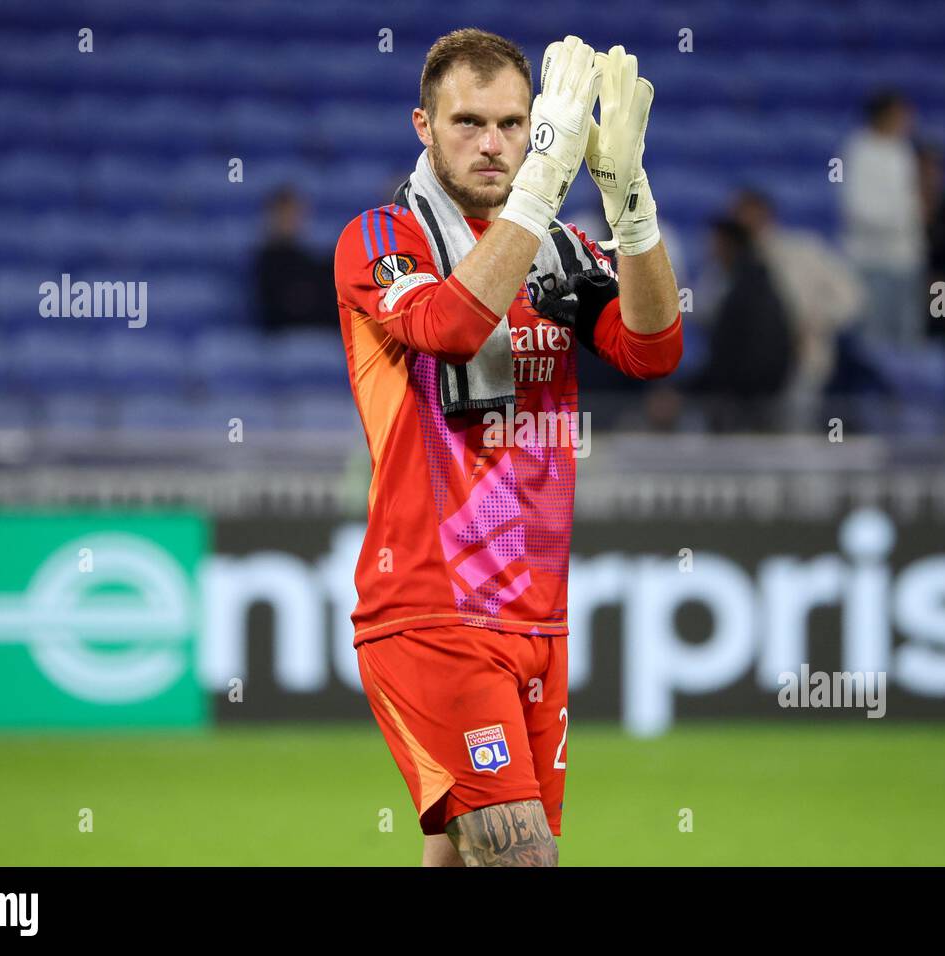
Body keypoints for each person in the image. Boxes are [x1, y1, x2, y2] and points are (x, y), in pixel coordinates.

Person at [332, 30, 682, 867]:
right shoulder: (381, 240)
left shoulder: (560, 252)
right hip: (429, 610)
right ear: (423, 126)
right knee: (524, 861)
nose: (493, 144)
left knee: (462, 858)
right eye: (467, 122)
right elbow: (449, 329)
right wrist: (540, 187)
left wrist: (630, 200)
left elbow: (653, 348)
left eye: (514, 124)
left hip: (536, 616)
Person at [734, 190, 863, 431]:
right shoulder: (732, 259)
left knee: (796, 432)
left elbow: (853, 297)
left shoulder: (804, 250)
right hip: (749, 370)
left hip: (803, 359)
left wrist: (814, 321)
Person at [840, 90, 926, 346]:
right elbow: (858, 209)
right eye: (901, 115)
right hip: (871, 260)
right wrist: (904, 218)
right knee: (874, 340)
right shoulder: (858, 151)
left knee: (908, 338)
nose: (907, 121)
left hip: (906, 259)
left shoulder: (903, 150)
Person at [694, 217, 793, 431]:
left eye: (715, 243)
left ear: (728, 245)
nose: (710, 250)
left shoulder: (747, 292)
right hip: (748, 396)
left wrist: (693, 389)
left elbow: (734, 355)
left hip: (747, 402)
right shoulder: (741, 283)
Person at [253, 186, 339, 332]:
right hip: (282, 338)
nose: (289, 220)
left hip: (323, 333)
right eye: (284, 214)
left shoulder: (315, 263)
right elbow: (275, 309)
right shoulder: (265, 262)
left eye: (294, 214)